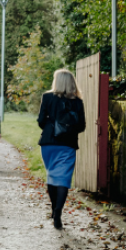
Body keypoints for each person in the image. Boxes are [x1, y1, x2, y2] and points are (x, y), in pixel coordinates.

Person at [37, 68, 87, 229]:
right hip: (68, 144)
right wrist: (68, 129)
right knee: (63, 179)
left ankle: (53, 209)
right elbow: (82, 126)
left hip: (49, 143)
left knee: (52, 175)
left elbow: (40, 121)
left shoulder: (47, 97)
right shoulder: (77, 102)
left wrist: (52, 128)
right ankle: (58, 212)